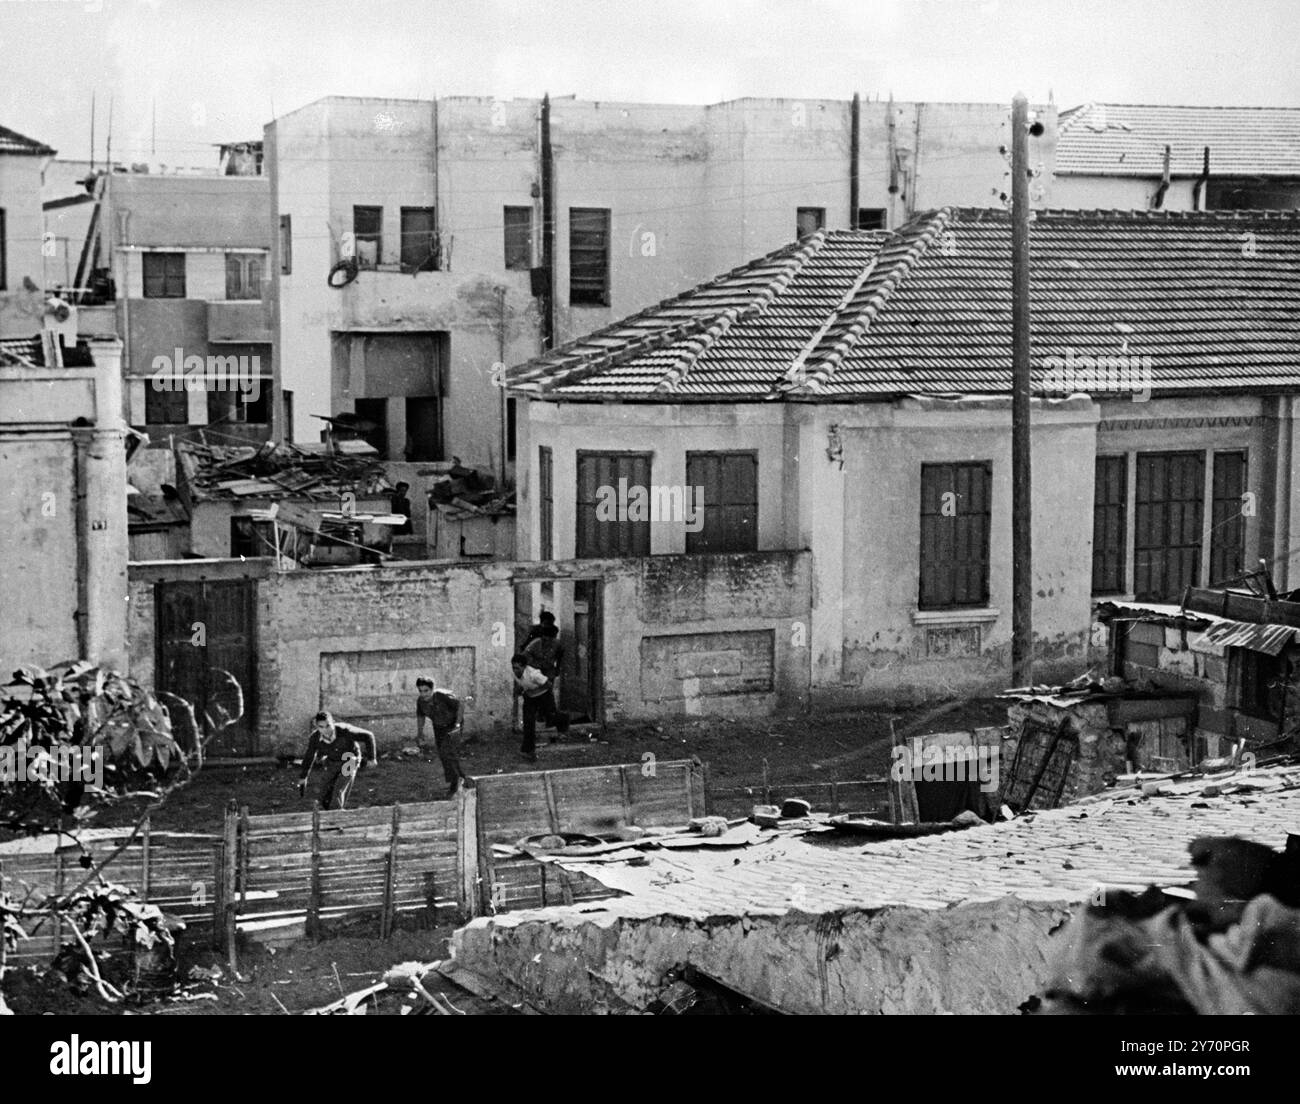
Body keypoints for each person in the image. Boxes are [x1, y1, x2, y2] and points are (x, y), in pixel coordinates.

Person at [296, 711, 378, 810]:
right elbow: (309, 756)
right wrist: (303, 777)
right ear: (317, 727)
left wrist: (372, 758)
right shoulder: (315, 738)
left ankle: (336, 820)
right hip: (333, 760)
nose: (326, 730)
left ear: (333, 723)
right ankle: (328, 815)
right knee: (323, 791)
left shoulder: (345, 730)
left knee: (338, 789)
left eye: (328, 726)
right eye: (321, 727)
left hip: (350, 758)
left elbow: (368, 736)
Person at [514, 623, 569, 761]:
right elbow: (524, 655)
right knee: (529, 722)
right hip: (535, 678)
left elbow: (561, 655)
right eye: (545, 639)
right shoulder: (534, 644)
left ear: (554, 638)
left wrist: (557, 668)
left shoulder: (557, 644)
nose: (547, 642)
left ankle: (562, 720)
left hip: (544, 683)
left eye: (550, 639)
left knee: (551, 713)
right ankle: (528, 750)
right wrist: (533, 666)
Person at [416, 677, 467, 798]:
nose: (423, 694)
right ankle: (458, 781)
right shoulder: (421, 701)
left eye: (426, 690)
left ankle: (459, 783)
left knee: (448, 752)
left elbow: (460, 705)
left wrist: (458, 725)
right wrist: (420, 732)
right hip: (438, 727)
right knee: (444, 755)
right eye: (420, 691)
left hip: (452, 724)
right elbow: (421, 716)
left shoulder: (442, 696)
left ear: (432, 689)